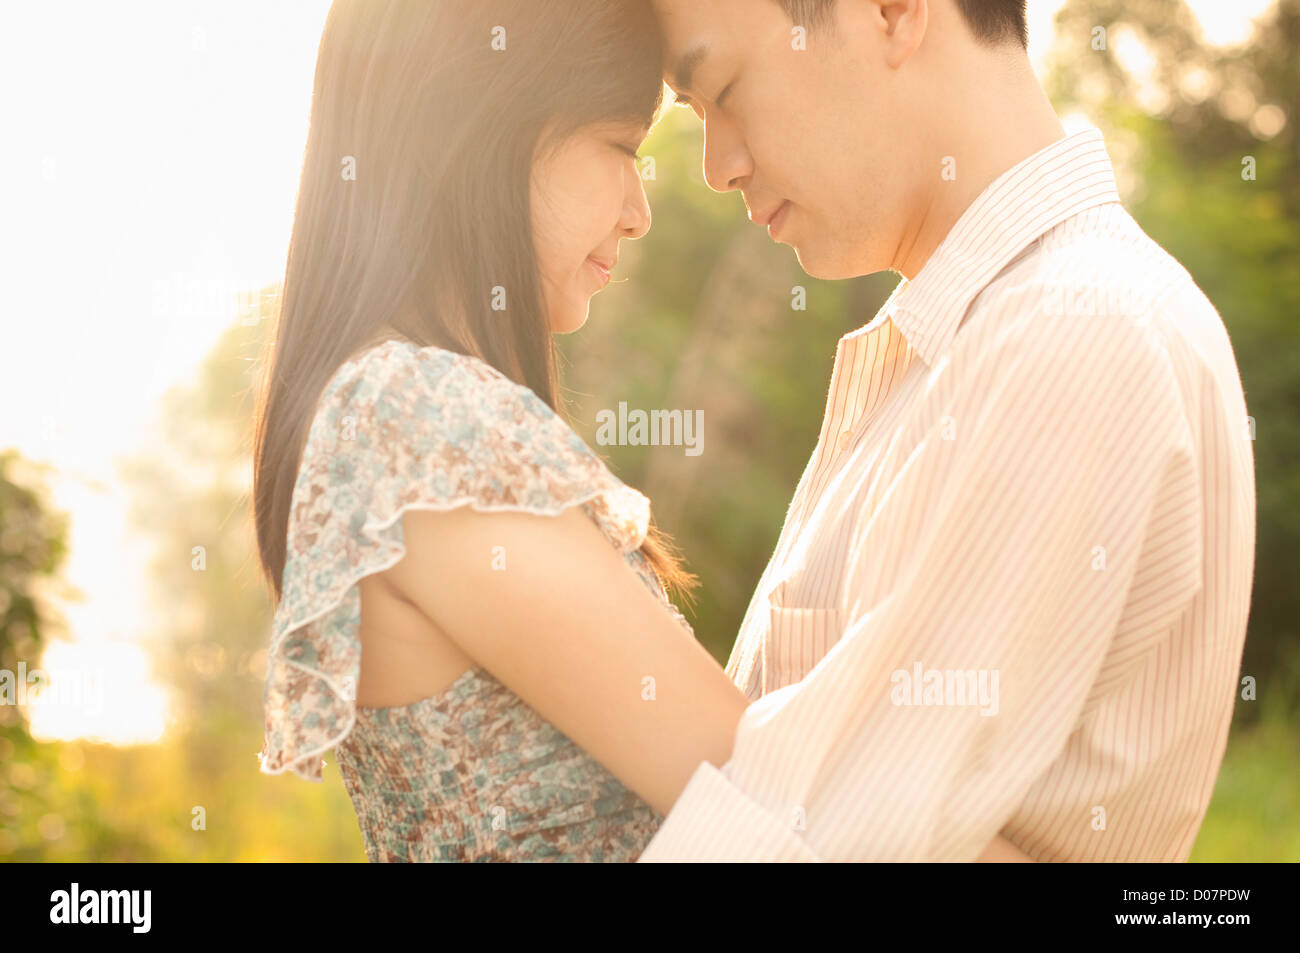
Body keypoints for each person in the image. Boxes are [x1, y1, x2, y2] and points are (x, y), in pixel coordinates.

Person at [253, 0, 1030, 863]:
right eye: (622, 146)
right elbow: (786, 805)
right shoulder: (413, 417)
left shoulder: (385, 407)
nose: (639, 211)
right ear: (481, 126)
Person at [636, 0, 1255, 861]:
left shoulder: (1068, 331)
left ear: (891, 13)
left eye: (726, 91)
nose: (715, 166)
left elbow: (826, 843)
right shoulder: (962, 343)